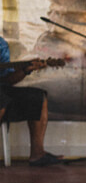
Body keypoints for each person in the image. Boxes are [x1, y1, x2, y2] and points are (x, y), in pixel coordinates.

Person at [0, 37, 63, 167]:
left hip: (2, 89)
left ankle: (37, 154)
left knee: (37, 96)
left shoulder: (1, 44)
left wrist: (25, 70)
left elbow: (8, 80)